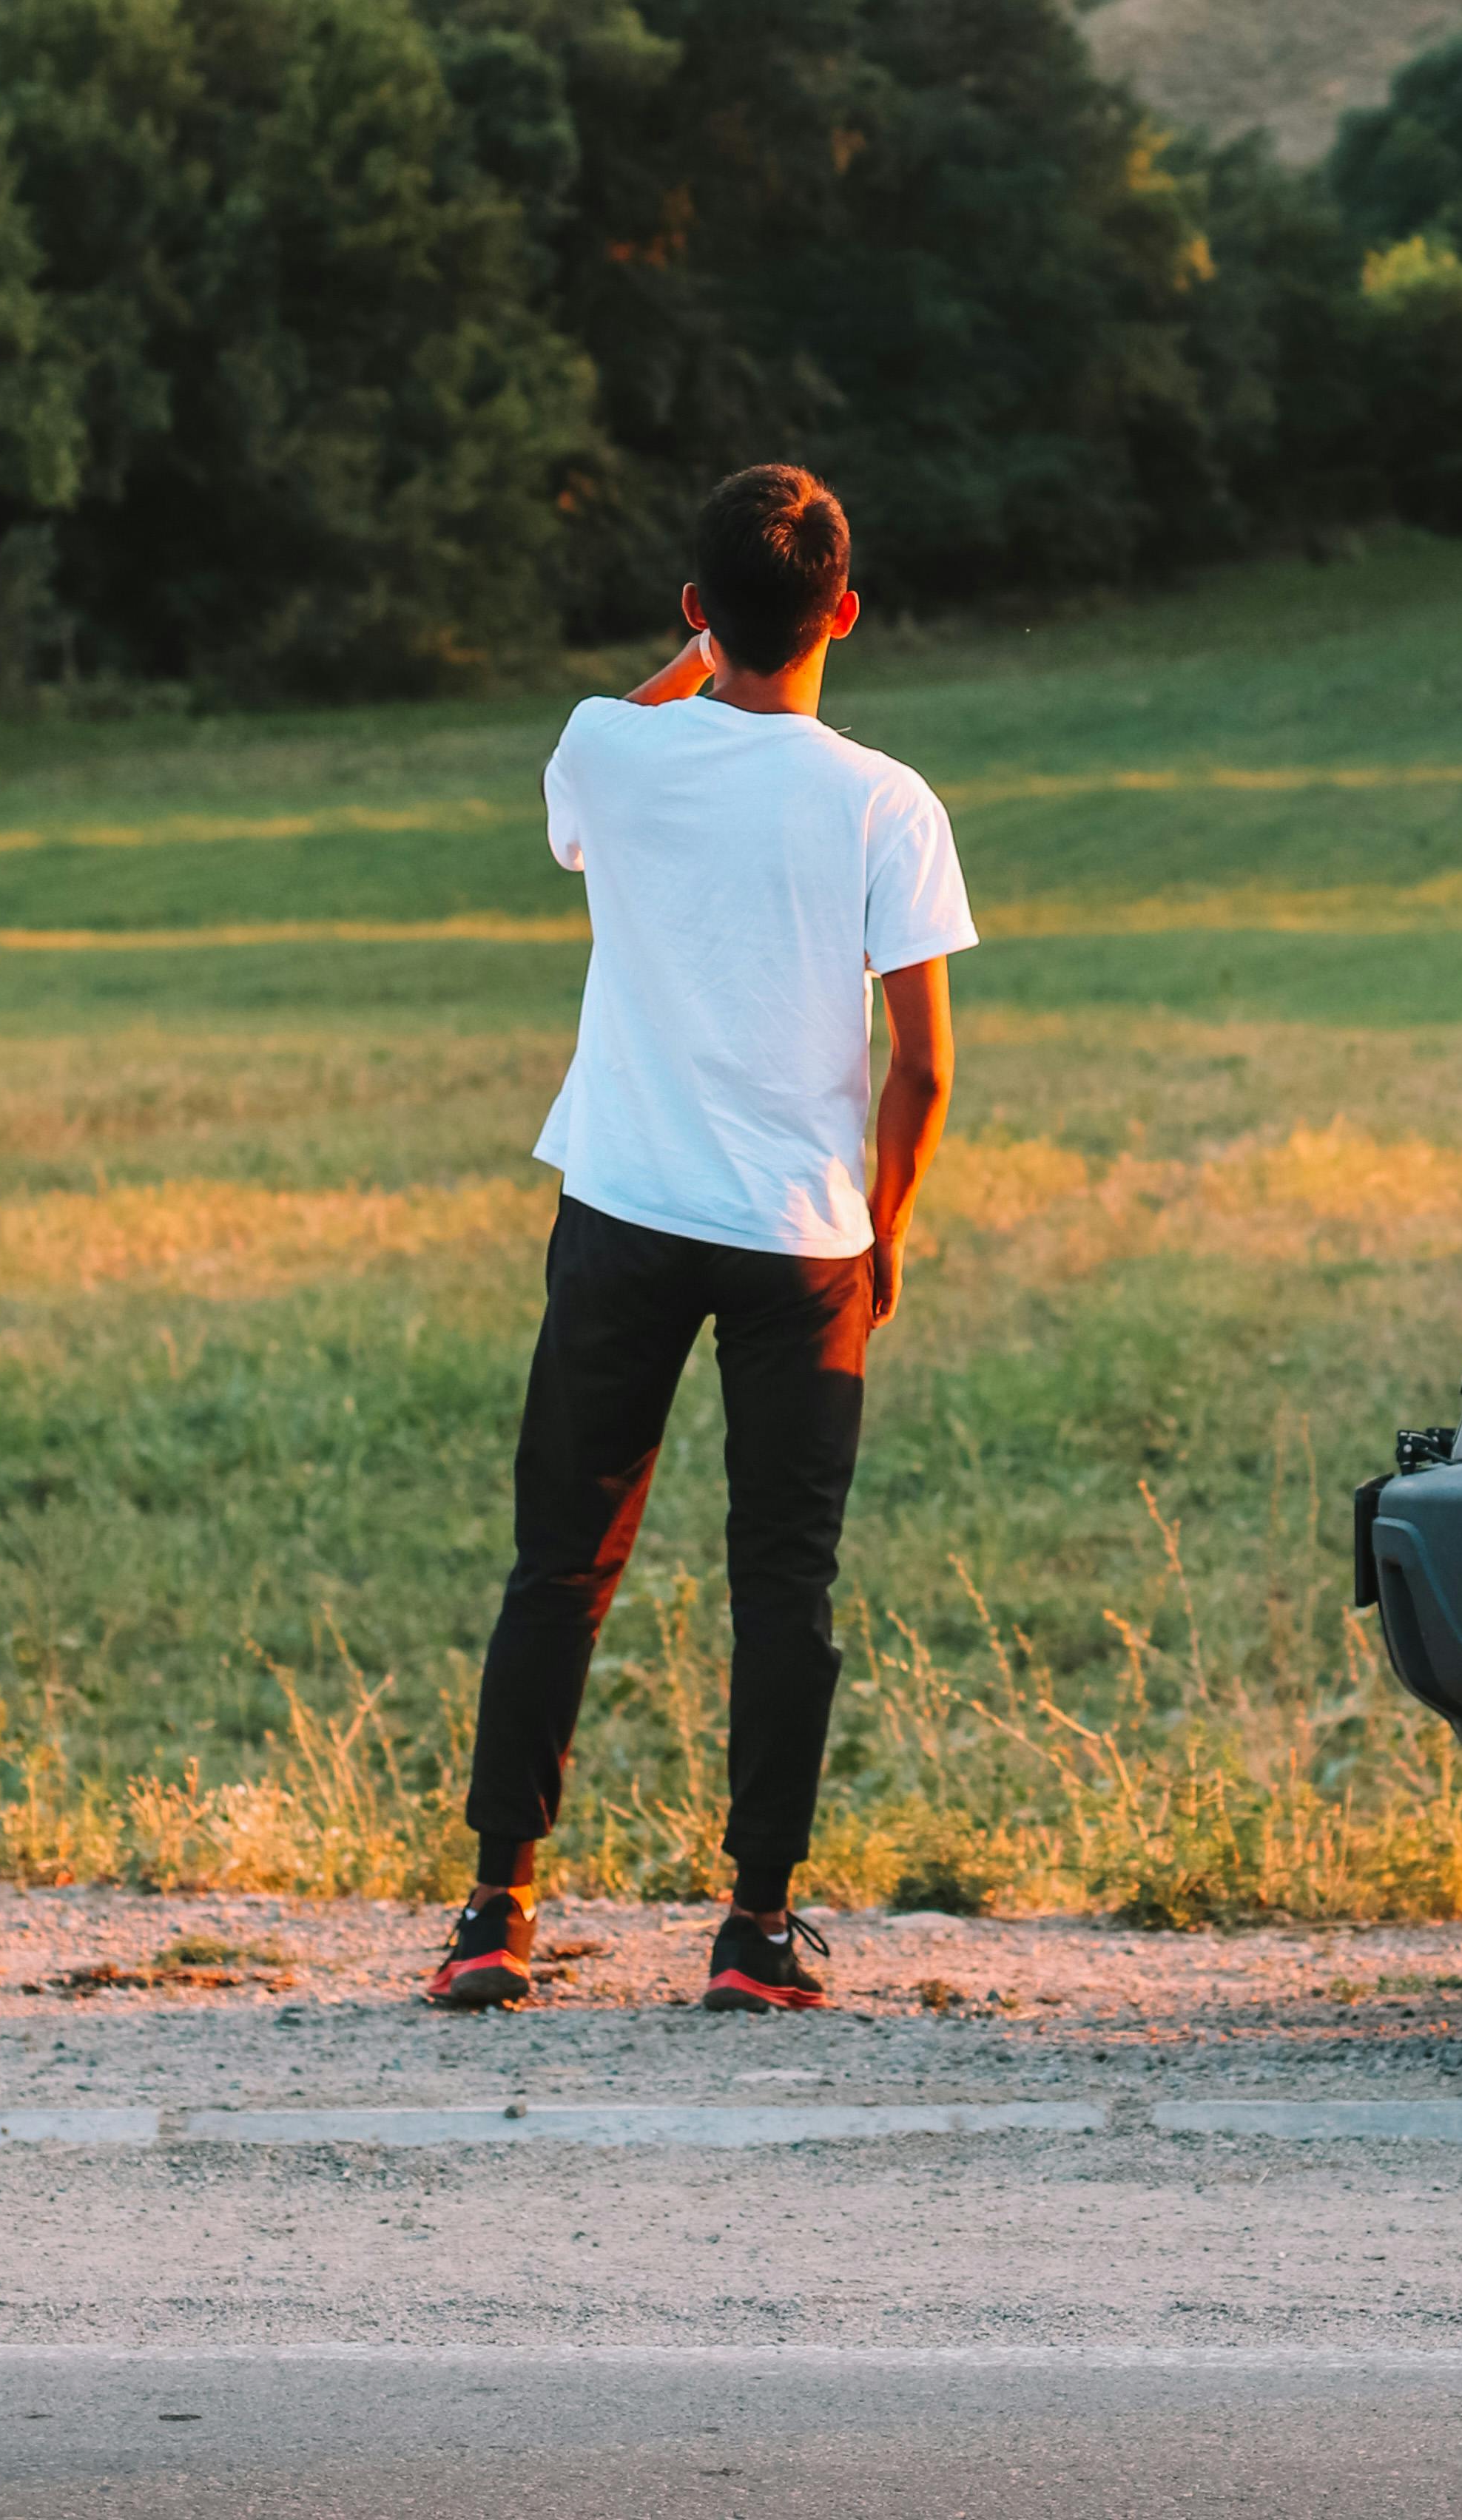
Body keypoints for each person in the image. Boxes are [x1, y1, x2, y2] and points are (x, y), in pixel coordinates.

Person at [426, 462, 971, 2016]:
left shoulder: (610, 746)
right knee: (780, 1581)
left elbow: (644, 715)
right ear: (846, 615)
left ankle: (496, 1913)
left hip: (619, 1207)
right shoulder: (887, 801)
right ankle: (753, 1927)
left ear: (689, 610)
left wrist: (693, 659)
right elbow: (922, 1063)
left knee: (559, 1563)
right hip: (802, 1239)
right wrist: (886, 1228)